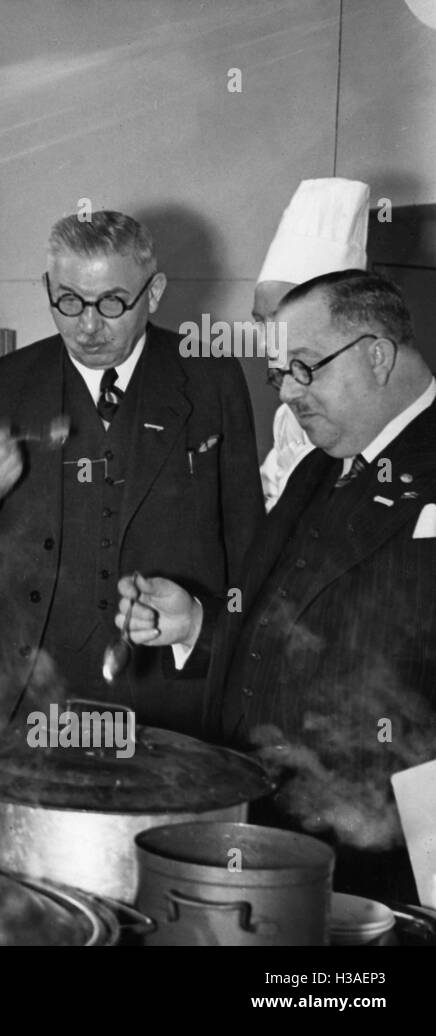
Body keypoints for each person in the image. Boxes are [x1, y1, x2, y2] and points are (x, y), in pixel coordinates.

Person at [116, 270, 435, 903]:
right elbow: (296, 626)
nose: (288, 393)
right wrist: (196, 626)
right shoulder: (318, 469)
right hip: (269, 819)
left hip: (386, 843)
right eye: (278, 374)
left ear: (376, 354)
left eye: (305, 368)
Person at [0, 211, 262, 737]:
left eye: (112, 303)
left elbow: (246, 545)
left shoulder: (211, 380)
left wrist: (205, 627)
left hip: (164, 697)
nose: (88, 325)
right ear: (47, 289)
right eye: (69, 302)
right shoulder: (1, 386)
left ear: (154, 292)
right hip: (18, 698)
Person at [255, 178, 370, 508]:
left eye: (277, 320)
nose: (266, 343)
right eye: (259, 321)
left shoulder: (374, 410)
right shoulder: (289, 417)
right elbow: (267, 497)